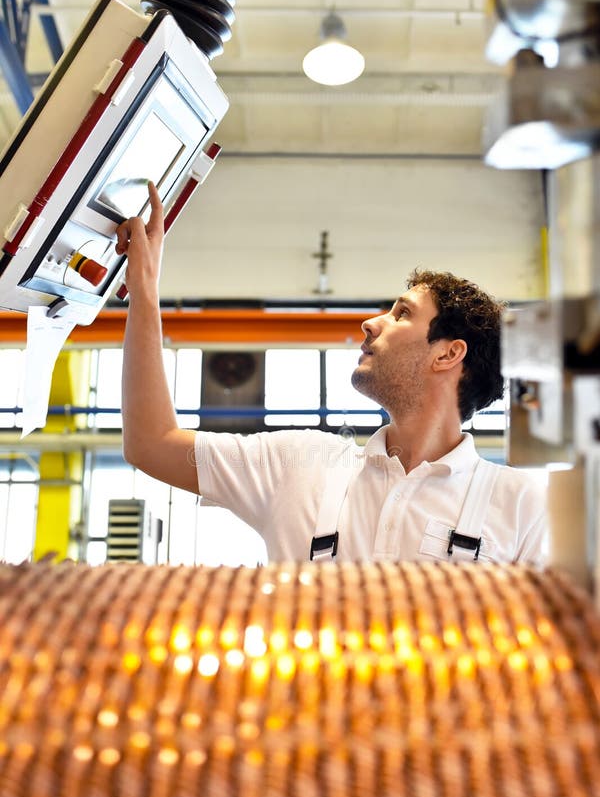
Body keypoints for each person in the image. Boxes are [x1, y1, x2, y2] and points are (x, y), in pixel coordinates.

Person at [117, 183, 547, 565]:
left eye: (401, 314)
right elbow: (152, 445)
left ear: (448, 354)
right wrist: (145, 288)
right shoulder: (296, 465)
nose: (370, 323)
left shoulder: (522, 508)